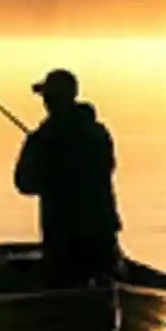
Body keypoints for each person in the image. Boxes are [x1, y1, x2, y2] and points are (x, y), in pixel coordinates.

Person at [14, 69, 123, 287]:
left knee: (63, 283)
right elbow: (107, 167)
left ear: (51, 100)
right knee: (105, 279)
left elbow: (23, 182)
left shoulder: (41, 138)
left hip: (61, 240)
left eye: (46, 96)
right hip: (101, 234)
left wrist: (46, 170)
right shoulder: (98, 133)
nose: (44, 101)